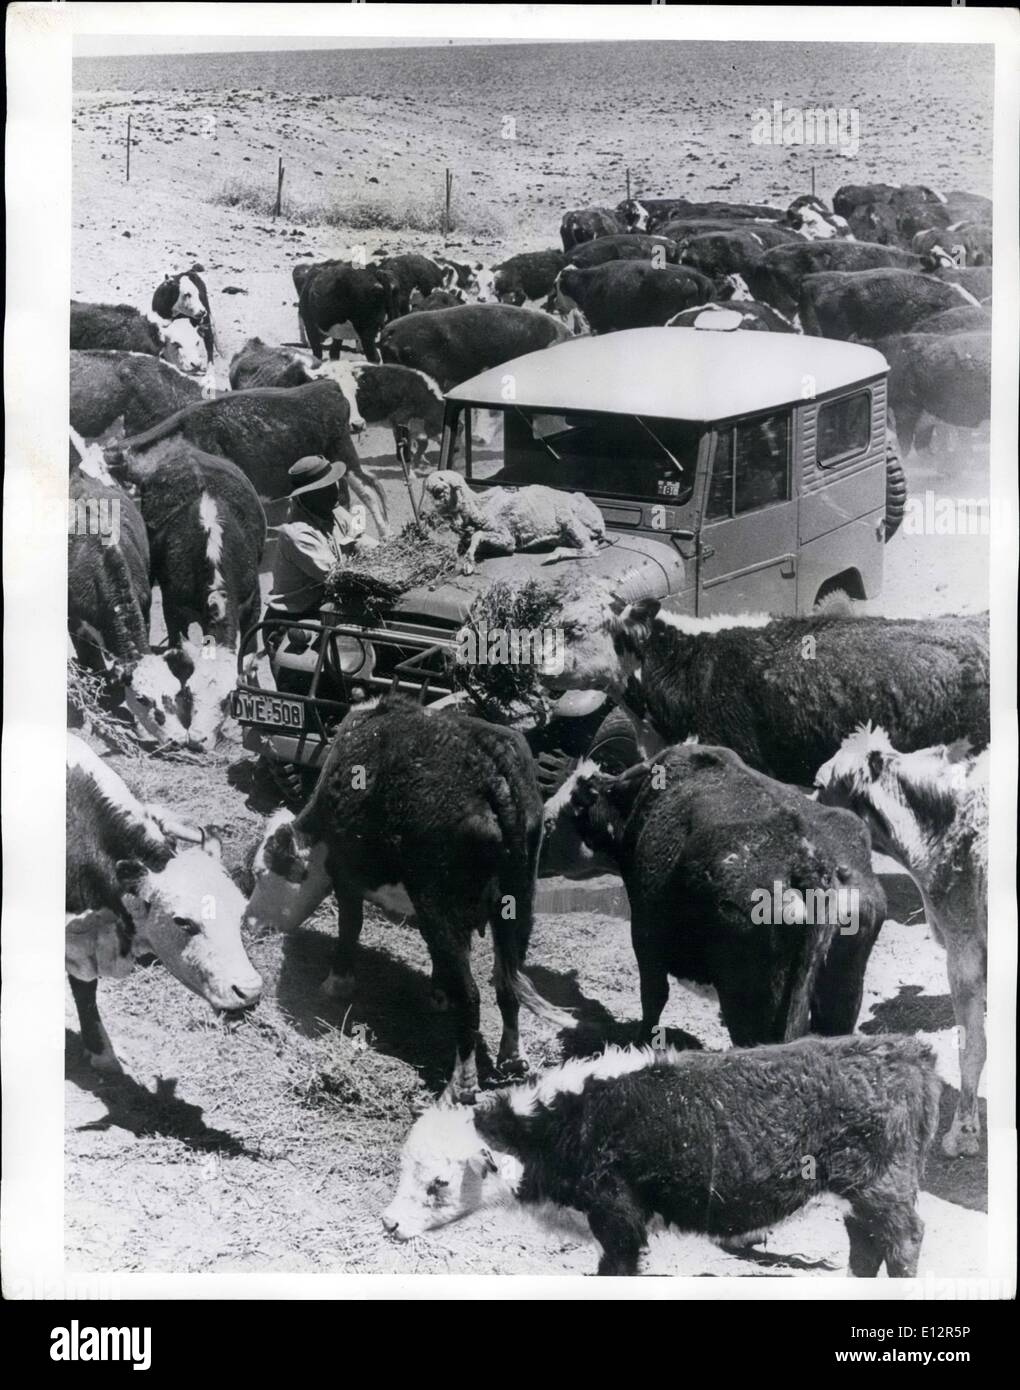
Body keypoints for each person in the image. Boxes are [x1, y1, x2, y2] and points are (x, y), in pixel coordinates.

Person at [266, 455, 377, 621]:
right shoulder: (297, 534)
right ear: (306, 495)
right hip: (297, 617)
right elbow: (338, 577)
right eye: (325, 488)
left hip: (327, 603)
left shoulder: (332, 510)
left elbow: (360, 538)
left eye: (333, 484)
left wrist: (392, 552)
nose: (335, 492)